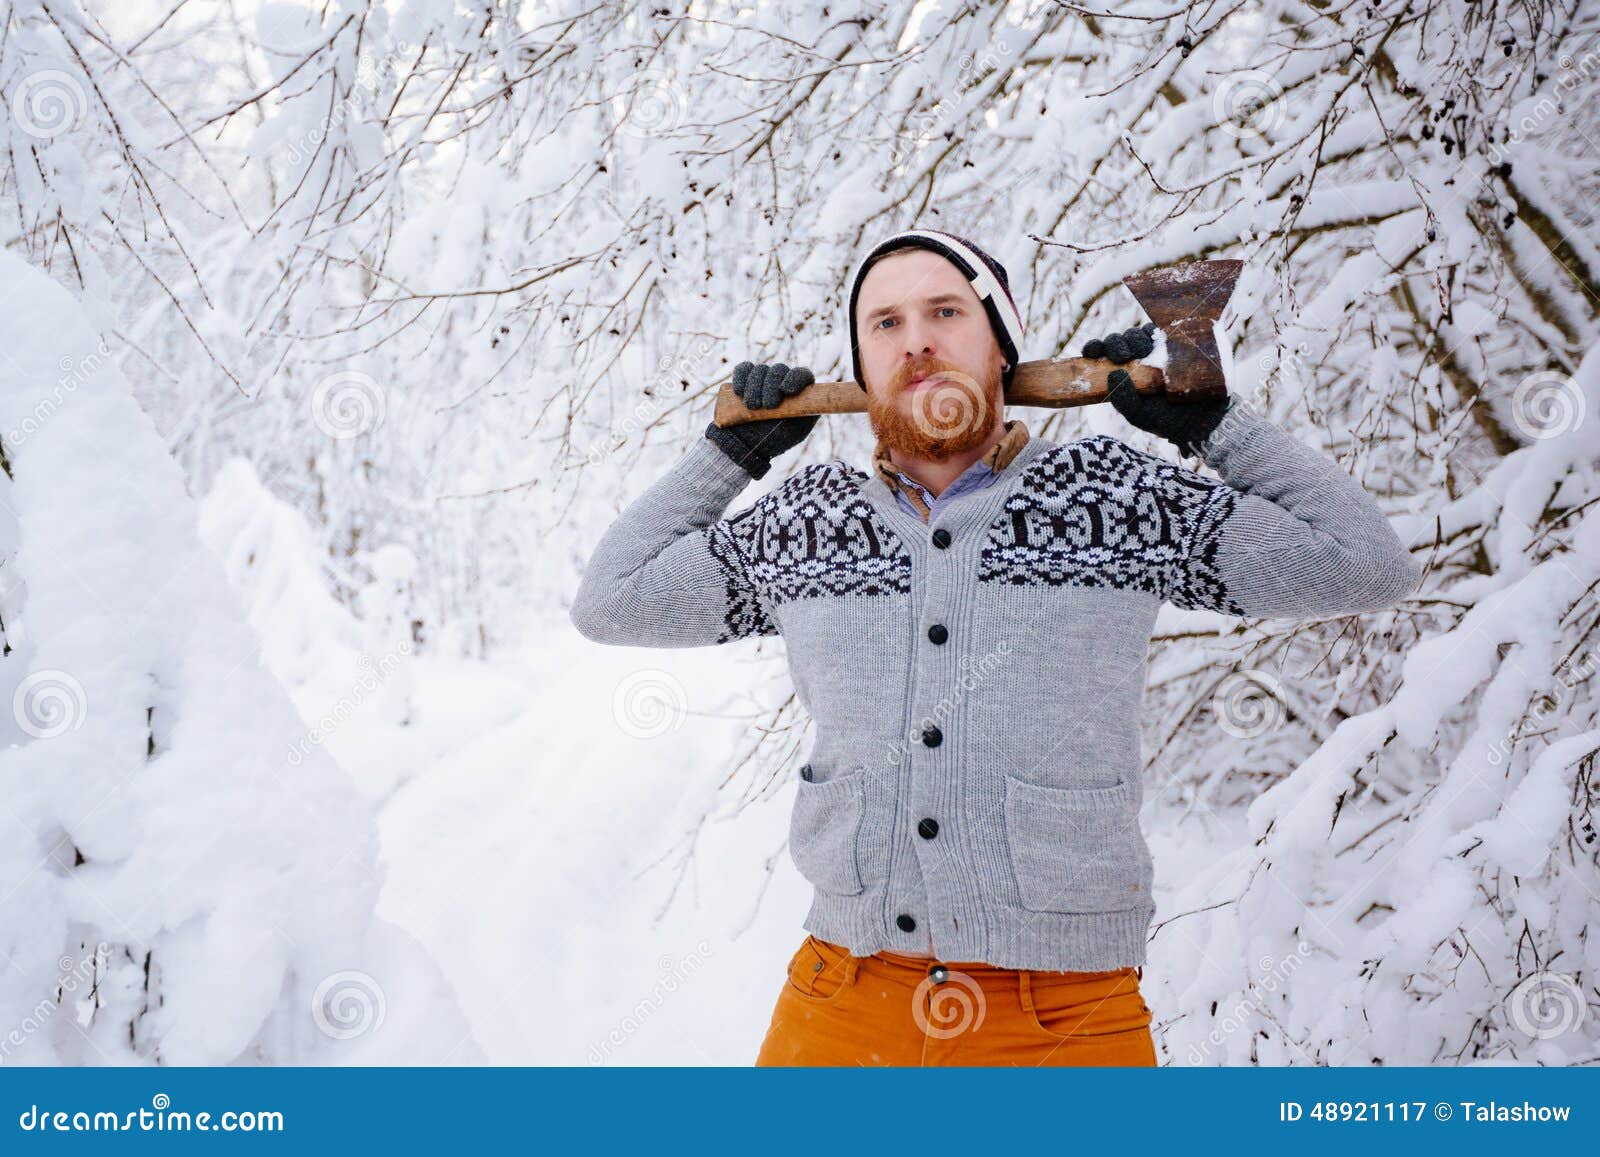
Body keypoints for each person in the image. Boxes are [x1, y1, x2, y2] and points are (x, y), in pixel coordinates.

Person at [569, 228, 1422, 1066]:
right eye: (886, 323)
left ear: (1001, 345)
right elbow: (611, 600)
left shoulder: (1111, 499)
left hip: (1064, 1012)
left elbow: (1365, 563)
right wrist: (729, 455)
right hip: (842, 996)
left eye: (946, 310)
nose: (918, 342)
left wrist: (1213, 427)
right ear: (862, 368)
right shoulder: (807, 523)